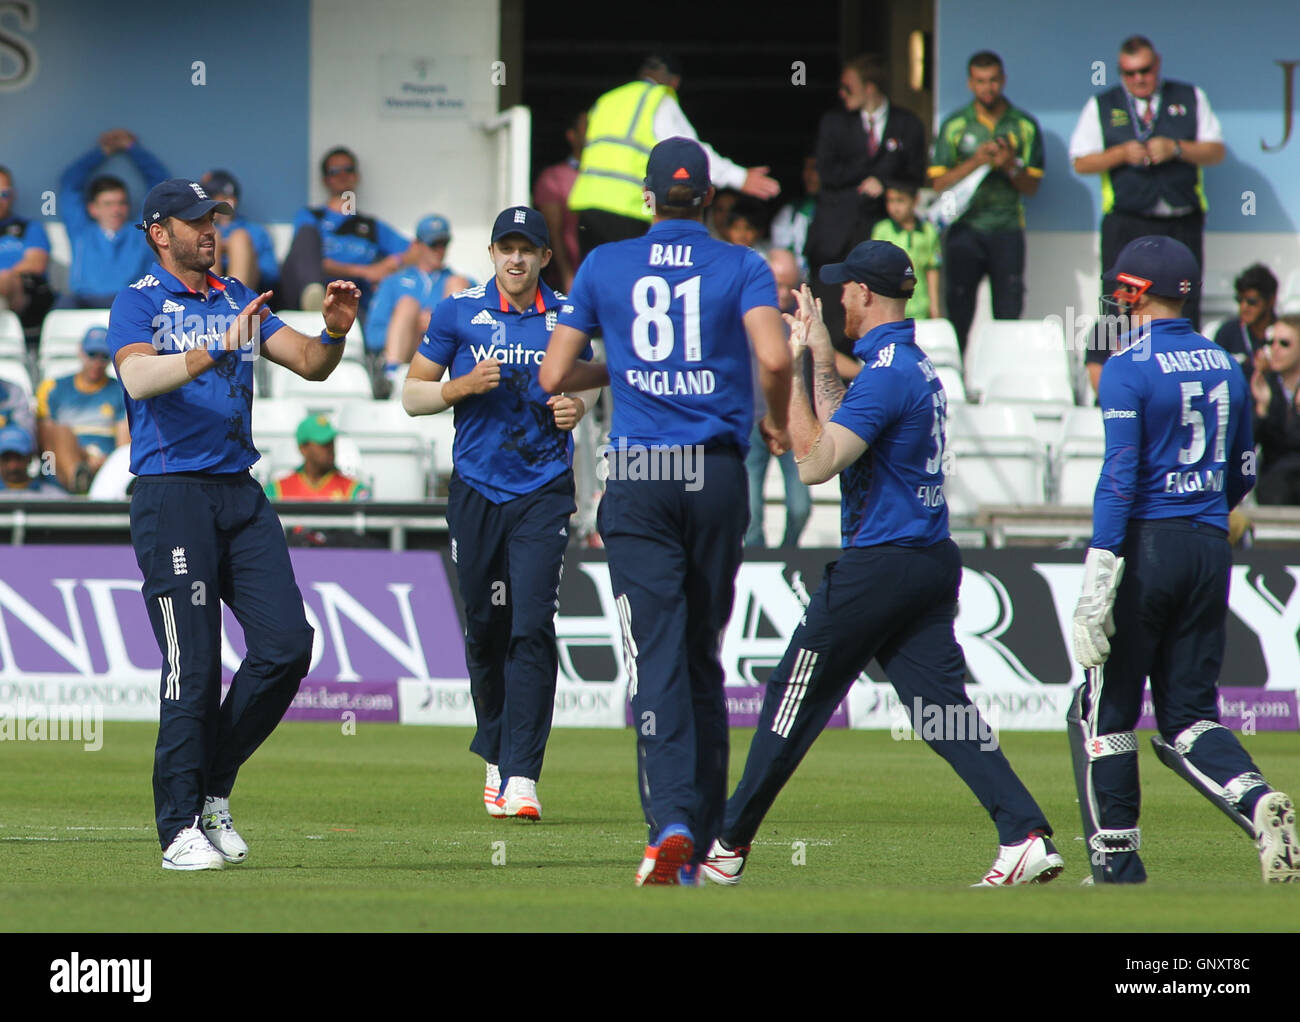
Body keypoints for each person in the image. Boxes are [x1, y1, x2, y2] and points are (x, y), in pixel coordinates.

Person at [701, 240, 1063, 888]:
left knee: (791, 697)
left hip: (880, 566)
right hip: (927, 560)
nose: (838, 297)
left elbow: (814, 463)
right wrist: (816, 355)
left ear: (865, 295)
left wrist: (781, 372)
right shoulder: (909, 365)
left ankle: (725, 845)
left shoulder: (888, 373)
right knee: (940, 711)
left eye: (844, 288)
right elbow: (847, 426)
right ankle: (1023, 832)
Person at [541, 137, 793, 885]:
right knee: (701, 658)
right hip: (714, 475)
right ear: (710, 199)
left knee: (656, 655)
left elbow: (555, 373)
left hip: (643, 472)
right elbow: (775, 359)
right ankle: (711, 837)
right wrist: (775, 422)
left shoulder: (604, 264)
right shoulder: (742, 265)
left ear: (646, 199)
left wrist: (623, 362)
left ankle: (671, 824)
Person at [107, 177, 361, 871]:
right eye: (193, 222)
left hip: (238, 495)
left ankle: (211, 787)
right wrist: (213, 349)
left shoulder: (232, 296)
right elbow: (136, 379)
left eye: (212, 218)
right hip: (172, 495)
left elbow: (310, 364)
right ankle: (177, 830)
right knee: (192, 668)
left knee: (287, 645)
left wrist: (335, 332)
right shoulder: (138, 301)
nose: (208, 230)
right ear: (160, 232)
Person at [1068, 235, 1298, 884]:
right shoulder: (1229, 363)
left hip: (1146, 547)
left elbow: (1120, 475)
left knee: (1103, 711)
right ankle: (1257, 800)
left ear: (1137, 292)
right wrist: (1201, 514)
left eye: (1122, 288)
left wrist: (1099, 571)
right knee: (1189, 718)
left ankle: (1117, 862)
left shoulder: (1127, 366)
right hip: (1208, 545)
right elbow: (1244, 469)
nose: (1116, 297)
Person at [403, 206, 596, 822]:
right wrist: (459, 388)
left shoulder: (568, 313)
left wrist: (579, 407)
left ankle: (522, 775)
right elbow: (412, 395)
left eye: (527, 249)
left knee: (533, 625)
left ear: (543, 257)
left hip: (542, 491)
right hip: (477, 491)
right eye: (505, 248)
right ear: (491, 254)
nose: (516, 259)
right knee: (486, 627)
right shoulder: (459, 311)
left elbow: (588, 379)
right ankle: (495, 749)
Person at [1069, 35, 1225, 331]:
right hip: (1127, 222)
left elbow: (1216, 150)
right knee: (1120, 304)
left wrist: (1177, 148)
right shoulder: (1102, 105)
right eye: (1130, 73)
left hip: (1180, 220)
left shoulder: (1189, 96)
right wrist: (1120, 154)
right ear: (1121, 72)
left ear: (1158, 64)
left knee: (1184, 300)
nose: (1139, 78)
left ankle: (1181, 365)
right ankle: (1120, 367)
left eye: (1145, 70)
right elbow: (1080, 162)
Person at [567, 54, 780, 261]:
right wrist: (739, 177)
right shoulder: (657, 99)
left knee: (597, 280)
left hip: (588, 206)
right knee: (627, 284)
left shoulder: (607, 100)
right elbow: (688, 151)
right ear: (675, 82)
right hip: (626, 210)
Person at [806, 54, 927, 350]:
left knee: (878, 318)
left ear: (870, 87)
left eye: (848, 88)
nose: (841, 94)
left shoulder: (907, 124)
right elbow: (826, 171)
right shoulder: (834, 122)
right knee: (834, 321)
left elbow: (917, 174)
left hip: (882, 235)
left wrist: (884, 184)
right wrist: (874, 172)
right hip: (836, 235)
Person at [929, 51, 1044, 352]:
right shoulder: (955, 124)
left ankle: (1003, 378)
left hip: (1006, 228)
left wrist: (1009, 165)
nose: (988, 88)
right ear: (970, 83)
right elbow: (936, 184)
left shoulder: (1023, 125)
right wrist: (976, 162)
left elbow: (1032, 186)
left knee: (1008, 313)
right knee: (958, 309)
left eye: (993, 80)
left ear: (1003, 80)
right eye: (980, 81)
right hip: (964, 228)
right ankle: (957, 383)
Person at [279, 146, 410, 311]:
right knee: (307, 235)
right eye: (334, 171)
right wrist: (366, 271)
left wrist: (394, 261)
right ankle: (314, 297)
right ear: (325, 179)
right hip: (311, 293)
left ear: (357, 176)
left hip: (353, 301)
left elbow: (417, 250)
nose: (342, 175)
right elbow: (306, 262)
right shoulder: (311, 216)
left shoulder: (371, 226)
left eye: (348, 169)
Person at [58, 129, 169, 307]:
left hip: (131, 304)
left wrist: (132, 148)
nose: (116, 210)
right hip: (85, 303)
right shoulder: (81, 230)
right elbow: (70, 183)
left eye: (122, 203)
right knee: (61, 307)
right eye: (108, 204)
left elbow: (160, 183)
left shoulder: (142, 231)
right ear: (93, 209)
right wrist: (102, 151)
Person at [745, 248, 810, 549]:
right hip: (753, 421)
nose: (783, 293)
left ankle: (788, 554)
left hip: (793, 421)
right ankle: (758, 564)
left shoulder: (802, 320)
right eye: (777, 285)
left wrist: (861, 371)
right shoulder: (743, 315)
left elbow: (826, 358)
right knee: (751, 512)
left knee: (801, 506)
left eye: (790, 285)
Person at [366, 215, 471, 394]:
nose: (439, 250)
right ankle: (390, 381)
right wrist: (415, 326)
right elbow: (373, 335)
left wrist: (436, 327)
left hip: (443, 354)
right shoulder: (393, 282)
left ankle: (455, 369)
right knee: (408, 305)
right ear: (417, 245)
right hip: (405, 353)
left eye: (443, 244)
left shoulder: (459, 281)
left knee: (458, 284)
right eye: (433, 244)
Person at [35, 326, 127, 493]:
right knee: (59, 431)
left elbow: (123, 444)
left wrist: (105, 462)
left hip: (105, 463)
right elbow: (46, 439)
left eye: (103, 357)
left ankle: (82, 480)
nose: (97, 363)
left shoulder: (121, 391)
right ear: (81, 352)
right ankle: (78, 480)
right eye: (92, 355)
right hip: (63, 460)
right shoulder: (54, 388)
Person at [200, 170, 279, 295]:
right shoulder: (199, 228)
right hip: (205, 288)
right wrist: (219, 249)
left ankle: (235, 305)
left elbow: (271, 275)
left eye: (231, 198)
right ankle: (211, 301)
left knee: (239, 238)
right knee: (214, 236)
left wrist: (238, 254)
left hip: (249, 290)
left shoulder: (255, 231)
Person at [871, 181, 941, 319]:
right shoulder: (882, 230)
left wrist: (934, 307)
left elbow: (932, 269)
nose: (894, 207)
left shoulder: (928, 231)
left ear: (915, 200)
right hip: (889, 309)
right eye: (890, 201)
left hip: (920, 308)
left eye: (900, 201)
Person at [533, 110, 587, 293]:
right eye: (587, 126)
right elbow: (553, 233)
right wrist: (567, 276)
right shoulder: (553, 177)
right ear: (571, 135)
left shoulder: (611, 177)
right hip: (567, 281)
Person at [1250, 315, 1300, 505]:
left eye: (1284, 343)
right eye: (1271, 342)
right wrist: (1262, 408)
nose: (1275, 349)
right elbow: (1247, 444)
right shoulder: (1263, 384)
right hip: (1275, 484)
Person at [265, 414, 372, 501]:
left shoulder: (353, 490)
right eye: (323, 443)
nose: (330, 448)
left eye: (331, 442)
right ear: (303, 448)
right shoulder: (276, 491)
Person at [0, 164, 53, 324]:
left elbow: (36, 263)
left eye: (3, 194)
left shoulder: (30, 228)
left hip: (22, 294)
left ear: (12, 195)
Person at [1215, 263, 1279, 380]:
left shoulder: (1284, 333)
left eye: (1251, 301)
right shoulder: (1227, 332)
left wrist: (1272, 368)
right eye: (1240, 300)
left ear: (1270, 301)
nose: (1244, 307)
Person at [771, 155, 819, 277]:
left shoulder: (840, 211)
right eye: (806, 169)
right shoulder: (793, 210)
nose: (808, 175)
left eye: (814, 168)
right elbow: (779, 248)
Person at [0, 424, 65, 497]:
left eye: (19, 458)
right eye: (6, 459)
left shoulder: (52, 496)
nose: (13, 466)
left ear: (30, 457)